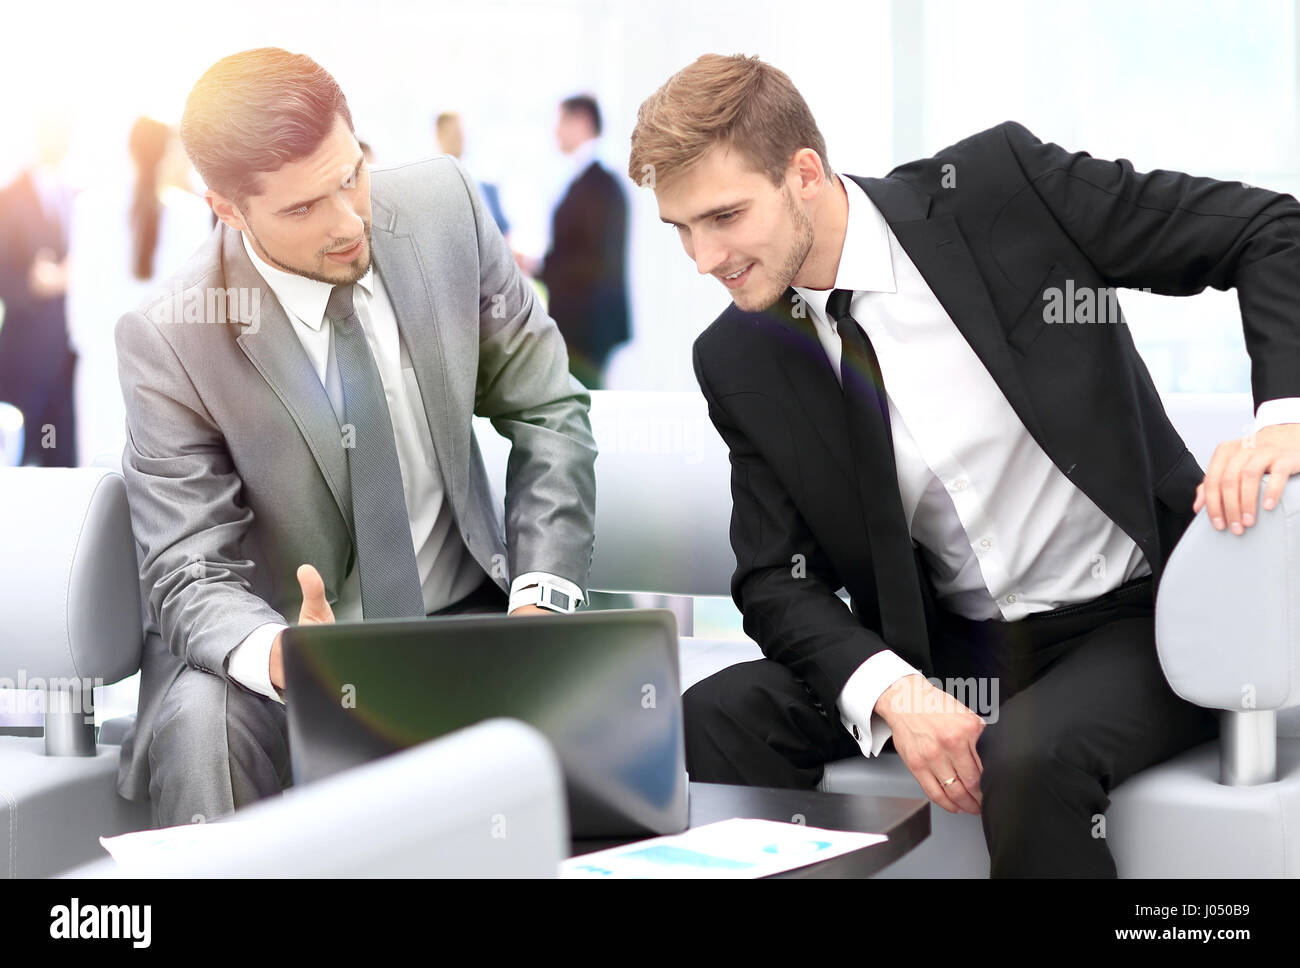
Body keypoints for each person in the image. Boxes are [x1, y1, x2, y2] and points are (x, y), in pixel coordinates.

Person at [628, 53, 1300, 877]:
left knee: (1026, 762)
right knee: (719, 713)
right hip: (946, 646)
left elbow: (1267, 229)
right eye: (681, 230)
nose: (704, 258)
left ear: (804, 173)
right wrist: (890, 689)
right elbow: (774, 579)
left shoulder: (1000, 191)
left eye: (724, 216)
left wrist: (1284, 421)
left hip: (1133, 621)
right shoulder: (739, 355)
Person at [114, 48, 597, 827]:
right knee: (204, 719)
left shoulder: (447, 209)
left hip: (460, 624)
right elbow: (189, 568)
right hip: (285, 653)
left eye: (352, 175)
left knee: (598, 710)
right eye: (304, 209)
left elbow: (548, 409)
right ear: (228, 208)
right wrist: (285, 656)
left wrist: (540, 601)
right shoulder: (171, 337)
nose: (349, 222)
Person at [66, 117, 211, 466]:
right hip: (167, 378)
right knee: (164, 480)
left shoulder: (89, 207)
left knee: (99, 478)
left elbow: (79, 303)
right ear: (171, 153)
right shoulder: (191, 213)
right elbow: (194, 309)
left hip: (102, 366)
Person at [534, 95, 629, 389]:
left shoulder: (600, 185)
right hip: (582, 324)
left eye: (561, 121)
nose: (555, 132)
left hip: (588, 326)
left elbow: (591, 261)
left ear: (582, 122)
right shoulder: (587, 182)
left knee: (584, 406)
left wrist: (540, 266)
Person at [0, 118, 78, 467]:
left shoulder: (75, 193)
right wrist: (34, 283)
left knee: (59, 455)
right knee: (18, 456)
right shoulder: (9, 197)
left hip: (67, 353)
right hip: (25, 354)